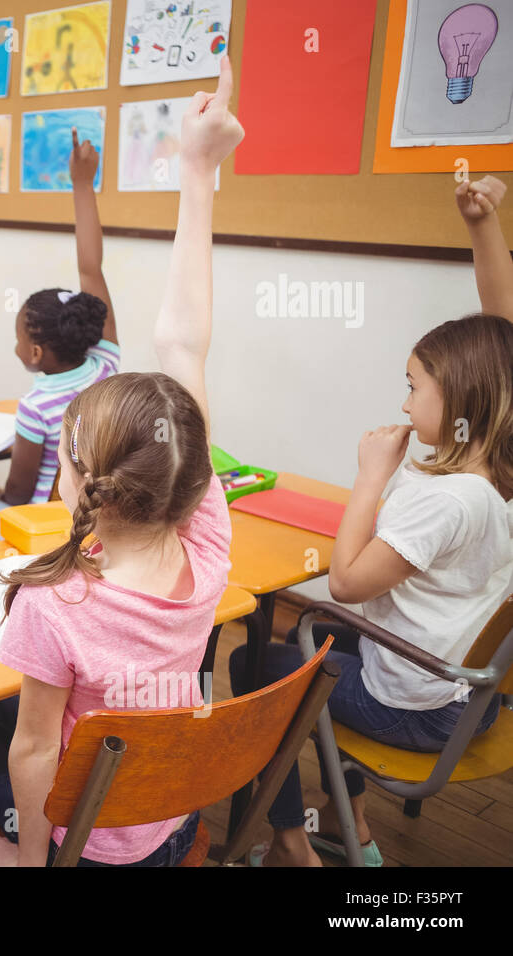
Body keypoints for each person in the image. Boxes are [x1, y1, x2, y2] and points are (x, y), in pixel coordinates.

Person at [0, 58, 245, 867]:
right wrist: (200, 173)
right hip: (170, 824)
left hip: (90, 846)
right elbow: (184, 344)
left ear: (75, 477)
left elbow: (35, 756)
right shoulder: (205, 545)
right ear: (189, 480)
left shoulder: (54, 603)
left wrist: (33, 864)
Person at [230, 176, 513, 867]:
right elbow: (505, 337)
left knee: (257, 660)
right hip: (470, 692)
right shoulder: (499, 471)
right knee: (317, 641)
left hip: (419, 705)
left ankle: (292, 840)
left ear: (463, 401)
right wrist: (483, 227)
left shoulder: (445, 500)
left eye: (415, 386)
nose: (405, 399)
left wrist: (370, 477)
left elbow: (351, 583)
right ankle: (353, 821)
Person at [0, 131, 119, 551]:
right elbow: (91, 269)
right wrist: (82, 184)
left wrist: (5, 513)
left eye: (19, 338)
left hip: (47, 530)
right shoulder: (106, 364)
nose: (16, 346)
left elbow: (17, 493)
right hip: (100, 523)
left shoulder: (35, 409)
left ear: (36, 354)